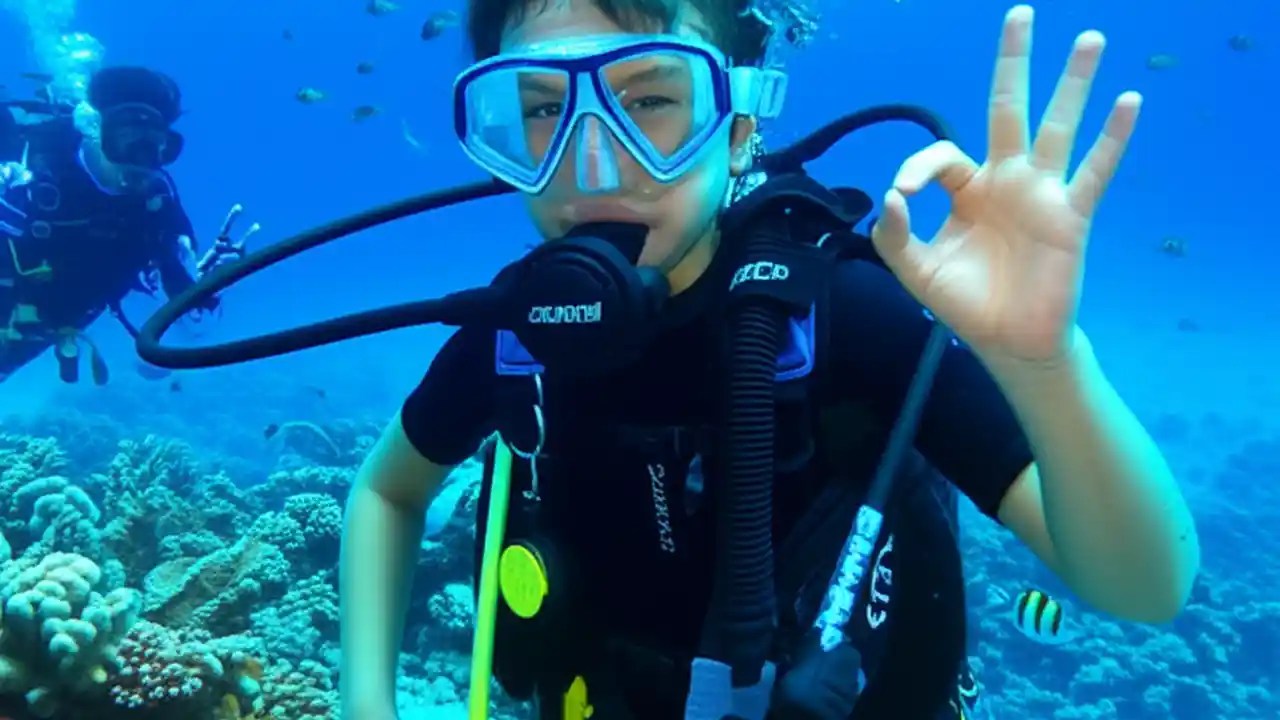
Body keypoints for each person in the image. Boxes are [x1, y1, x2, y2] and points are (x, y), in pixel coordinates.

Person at [331, 1, 1200, 718]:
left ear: (739, 126)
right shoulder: (522, 333)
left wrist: (1048, 367)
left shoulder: (841, 316)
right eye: (543, 109)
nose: (593, 166)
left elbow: (1144, 588)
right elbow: (386, 489)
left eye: (651, 100)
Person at [0, 65, 254, 385]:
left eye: (156, 145)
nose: (142, 159)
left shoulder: (155, 208)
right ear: (94, 128)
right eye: (127, 139)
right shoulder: (28, 178)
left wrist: (210, 286)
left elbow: (194, 328)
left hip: (41, 328)